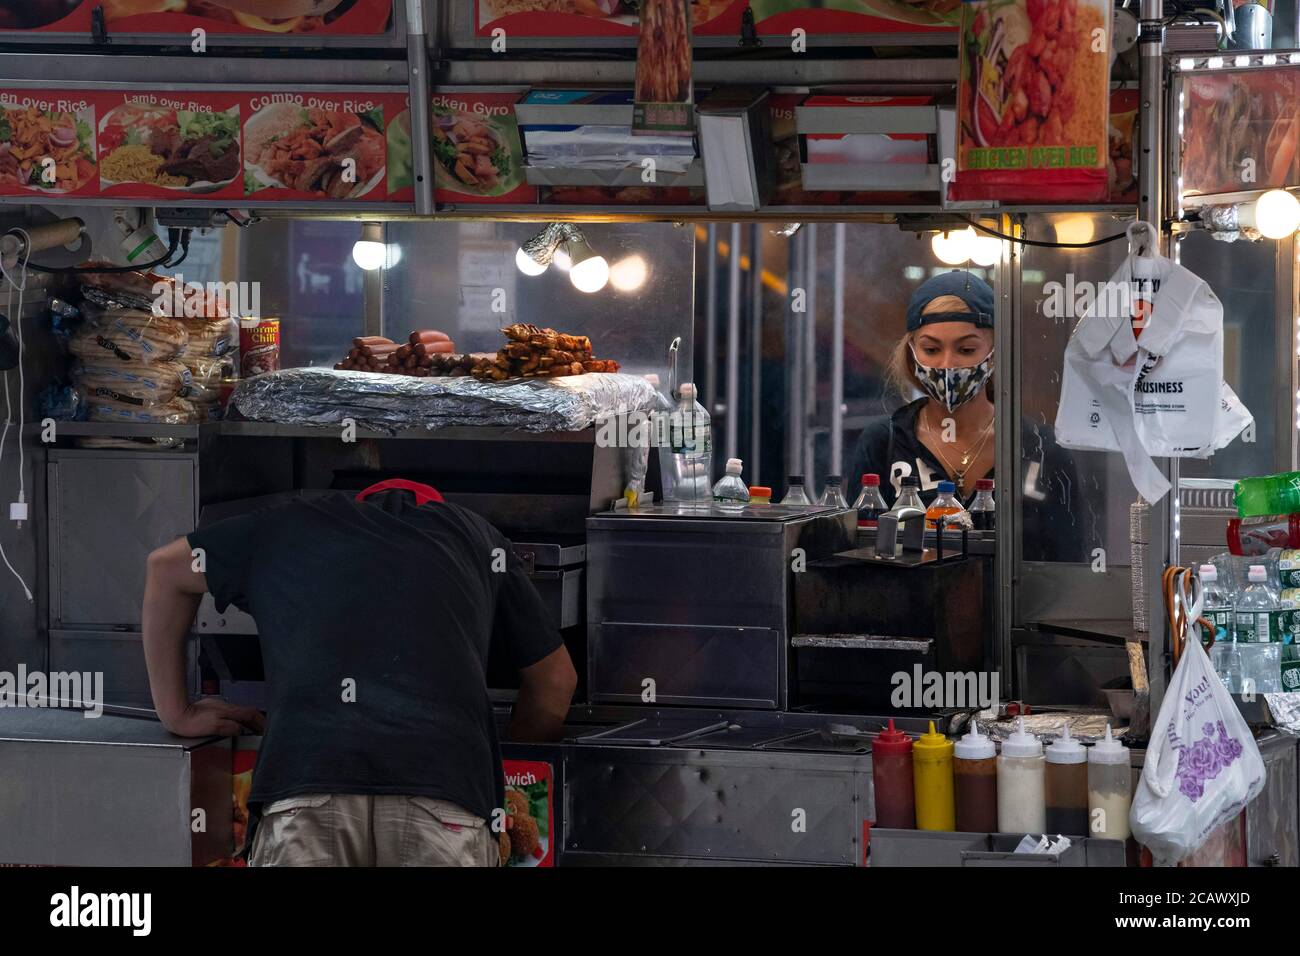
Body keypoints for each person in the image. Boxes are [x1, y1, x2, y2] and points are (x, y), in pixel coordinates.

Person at [142, 478, 577, 867]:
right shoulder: (478, 538)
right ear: (437, 509)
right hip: (444, 801)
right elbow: (555, 682)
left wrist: (176, 712)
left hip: (306, 793)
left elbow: (165, 567)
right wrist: (511, 760)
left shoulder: (285, 525)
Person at [846, 270, 1081, 561]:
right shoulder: (885, 443)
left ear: (995, 353)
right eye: (931, 349)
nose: (947, 364)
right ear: (912, 353)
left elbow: (1071, 566)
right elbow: (857, 553)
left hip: (1022, 607)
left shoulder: (1041, 449)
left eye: (966, 349)